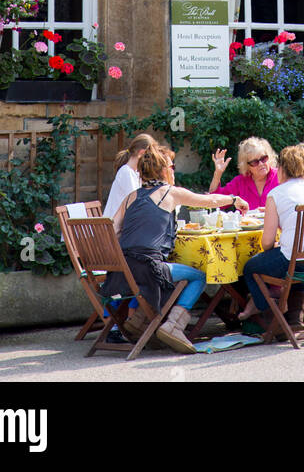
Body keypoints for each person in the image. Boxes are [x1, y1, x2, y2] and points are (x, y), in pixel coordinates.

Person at [106, 139, 247, 353]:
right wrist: (234, 198)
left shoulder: (131, 197)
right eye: (171, 166)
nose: (173, 170)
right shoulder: (169, 192)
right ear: (163, 171)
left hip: (124, 272)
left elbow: (114, 229)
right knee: (198, 275)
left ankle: (140, 321)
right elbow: (208, 201)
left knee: (169, 266)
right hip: (149, 270)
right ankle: (174, 325)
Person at [239, 144, 304, 335]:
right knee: (291, 262)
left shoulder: (276, 194)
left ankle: (272, 317)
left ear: (281, 169)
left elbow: (266, 243)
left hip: (297, 263)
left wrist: (278, 245)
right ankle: (294, 316)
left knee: (251, 268)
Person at [209, 136, 279, 209]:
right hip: (248, 220)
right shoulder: (240, 182)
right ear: (246, 165)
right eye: (255, 162)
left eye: (264, 158)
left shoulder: (281, 176)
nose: (261, 164)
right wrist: (218, 173)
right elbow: (215, 201)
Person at [102, 132, 155, 218]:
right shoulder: (126, 172)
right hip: (114, 227)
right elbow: (136, 203)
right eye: (150, 157)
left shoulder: (135, 173)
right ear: (141, 153)